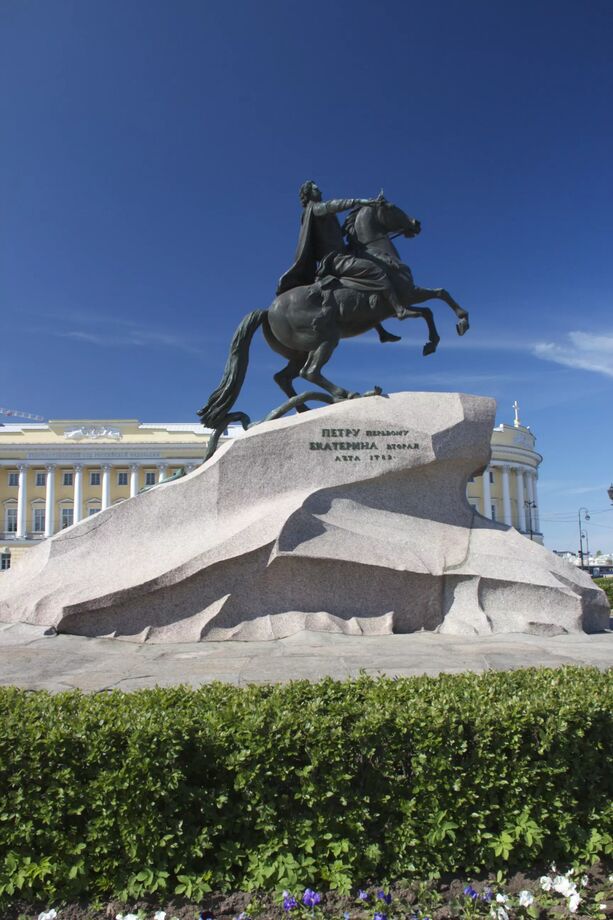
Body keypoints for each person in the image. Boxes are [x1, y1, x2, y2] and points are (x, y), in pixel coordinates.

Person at [276, 180, 403, 343]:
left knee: (365, 271)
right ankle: (399, 309)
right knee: (374, 270)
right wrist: (360, 201)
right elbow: (334, 205)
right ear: (308, 194)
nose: (318, 189)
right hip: (335, 259)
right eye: (314, 188)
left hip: (341, 254)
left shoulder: (320, 214)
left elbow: (336, 234)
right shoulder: (315, 208)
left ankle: (380, 329)